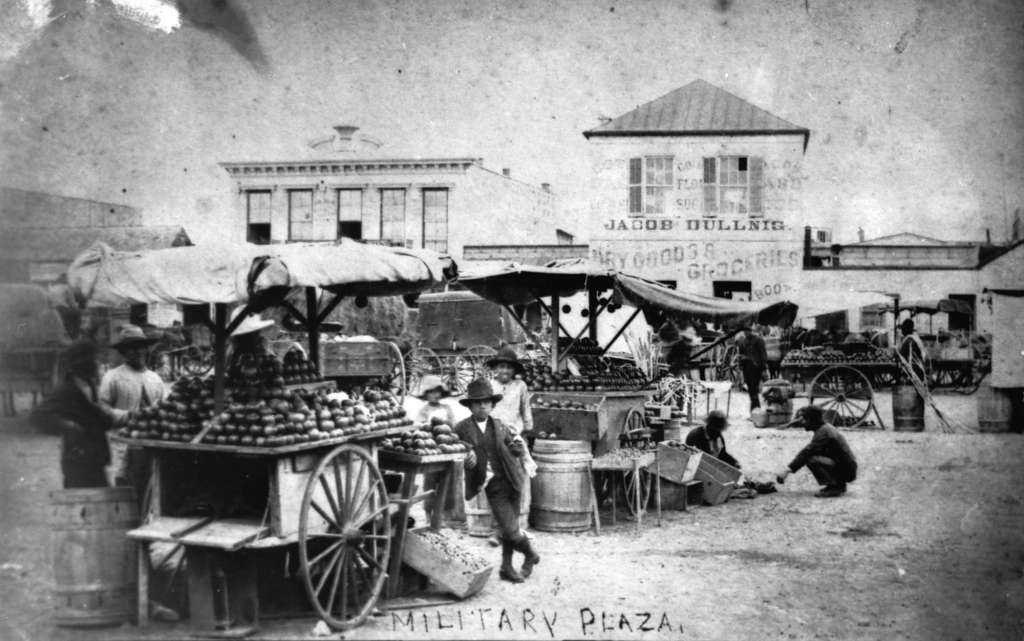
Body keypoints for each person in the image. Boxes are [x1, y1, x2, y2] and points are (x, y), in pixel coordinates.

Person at [455, 378, 540, 583]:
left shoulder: (502, 426)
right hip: (492, 486)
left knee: (505, 528)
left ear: (492, 405)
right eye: (477, 402)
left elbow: (516, 448)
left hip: (513, 480)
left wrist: (518, 449)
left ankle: (506, 567)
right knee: (511, 529)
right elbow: (455, 454)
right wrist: (466, 459)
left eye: (486, 402)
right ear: (470, 406)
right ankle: (530, 555)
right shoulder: (461, 429)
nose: (482, 406)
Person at [30, 340, 115, 488]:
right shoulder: (65, 390)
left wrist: (106, 417)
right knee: (79, 505)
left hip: (95, 458)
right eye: (94, 359)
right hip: (77, 461)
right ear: (82, 363)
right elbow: (37, 416)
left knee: (100, 503)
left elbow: (90, 414)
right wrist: (67, 425)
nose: (98, 364)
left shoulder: (89, 384)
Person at [100, 325, 167, 487]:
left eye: (141, 347)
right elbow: (102, 410)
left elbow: (164, 409)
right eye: (132, 349)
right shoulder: (113, 377)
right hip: (122, 443)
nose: (138, 352)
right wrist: (129, 415)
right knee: (123, 486)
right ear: (124, 353)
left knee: (149, 485)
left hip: (149, 443)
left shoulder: (155, 379)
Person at [487, 346, 538, 539]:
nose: (505, 371)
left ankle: (513, 527)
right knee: (495, 482)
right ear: (495, 368)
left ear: (514, 370)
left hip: (514, 439)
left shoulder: (521, 386)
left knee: (515, 483)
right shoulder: (489, 386)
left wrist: (522, 433)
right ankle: (497, 527)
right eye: (501, 366)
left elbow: (526, 414)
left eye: (509, 367)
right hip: (493, 437)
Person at [776, 405, 858, 498]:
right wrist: (789, 424)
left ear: (812, 420)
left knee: (811, 459)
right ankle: (839, 485)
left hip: (847, 470)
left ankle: (834, 488)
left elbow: (806, 452)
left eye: (805, 420)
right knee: (816, 454)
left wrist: (787, 470)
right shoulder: (824, 426)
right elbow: (801, 421)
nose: (802, 423)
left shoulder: (823, 433)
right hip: (846, 467)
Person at [735, 323, 768, 413]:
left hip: (756, 367)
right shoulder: (742, 341)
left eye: (748, 331)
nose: (746, 333)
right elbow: (740, 354)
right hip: (746, 368)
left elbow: (763, 355)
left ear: (751, 331)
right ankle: (755, 408)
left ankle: (755, 408)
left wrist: (764, 368)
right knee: (750, 388)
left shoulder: (758, 340)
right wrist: (740, 363)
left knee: (754, 388)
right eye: (744, 331)